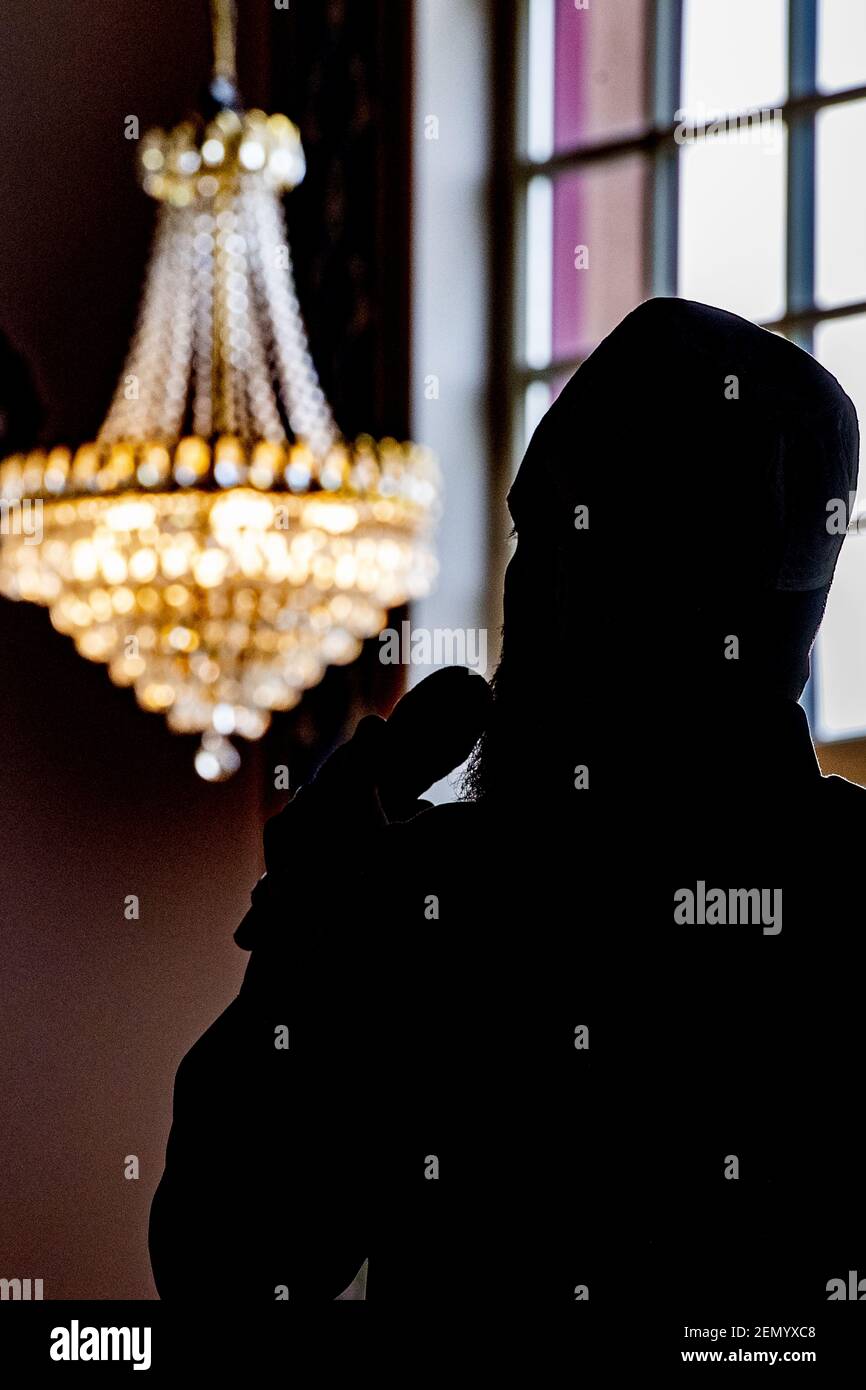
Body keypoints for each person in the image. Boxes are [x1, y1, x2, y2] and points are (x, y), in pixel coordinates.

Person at [150, 296, 865, 1307]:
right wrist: (306, 942)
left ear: (732, 595)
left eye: (596, 546)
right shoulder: (418, 898)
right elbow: (225, 1266)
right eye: (533, 537)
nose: (526, 599)